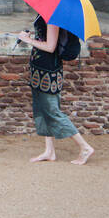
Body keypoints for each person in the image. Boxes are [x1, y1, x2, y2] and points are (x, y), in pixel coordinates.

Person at [18, 14, 94, 164]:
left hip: (48, 70)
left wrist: (28, 40)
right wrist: (32, 36)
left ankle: (85, 147)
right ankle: (49, 151)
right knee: (43, 109)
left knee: (52, 111)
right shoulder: (45, 13)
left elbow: (50, 47)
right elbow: (45, 38)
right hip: (39, 67)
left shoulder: (54, 17)